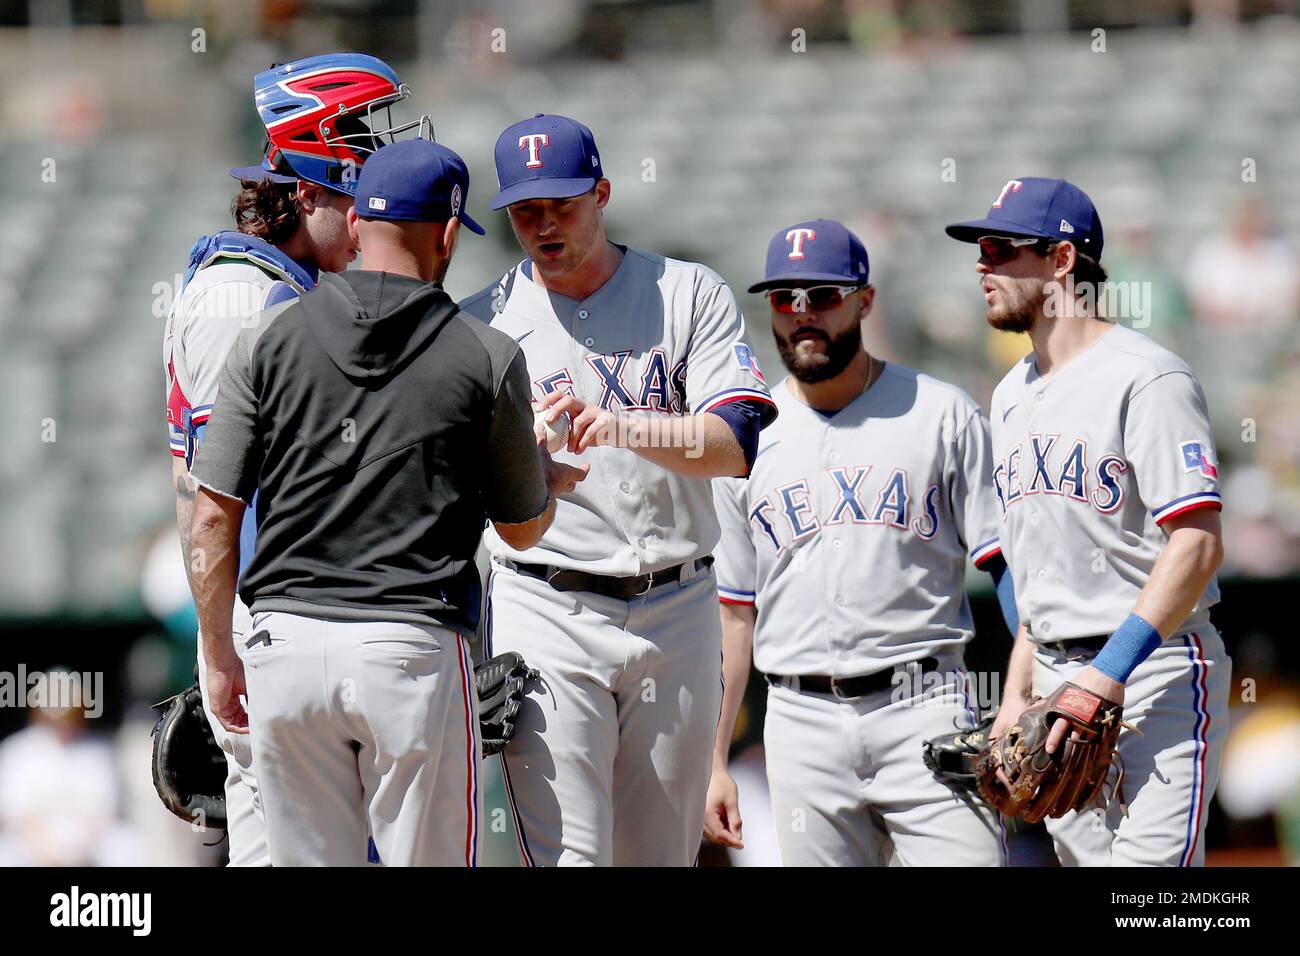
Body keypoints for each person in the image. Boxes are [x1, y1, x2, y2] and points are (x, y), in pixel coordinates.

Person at [188, 138, 575, 866]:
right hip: (411, 647)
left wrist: (218, 653)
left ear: (358, 222)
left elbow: (213, 513)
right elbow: (522, 531)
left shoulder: (267, 335)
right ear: (450, 231)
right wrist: (544, 476)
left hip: (284, 647)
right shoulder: (486, 353)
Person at [458, 113, 777, 866]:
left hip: (678, 607)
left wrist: (626, 426)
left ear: (602, 194)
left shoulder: (686, 292)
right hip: (547, 605)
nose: (543, 224)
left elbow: (737, 445)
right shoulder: (481, 323)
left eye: (561, 204)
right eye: (525, 210)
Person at [162, 52, 422, 865]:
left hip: (312, 623)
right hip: (278, 630)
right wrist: (220, 652)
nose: (372, 210)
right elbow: (217, 502)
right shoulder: (245, 296)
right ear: (308, 188)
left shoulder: (290, 286)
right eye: (359, 174)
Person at [706, 219, 1013, 866]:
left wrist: (1019, 698)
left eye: (821, 295)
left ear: (865, 301)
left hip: (927, 705)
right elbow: (735, 612)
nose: (801, 313)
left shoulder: (941, 414)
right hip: (798, 720)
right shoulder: (745, 433)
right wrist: (713, 761)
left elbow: (1011, 573)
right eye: (785, 298)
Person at [947, 177, 1230, 866]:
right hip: (1051, 679)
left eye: (1000, 248)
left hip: (1153, 669)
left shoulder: (1147, 377)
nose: (982, 265)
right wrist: (1016, 693)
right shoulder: (1010, 395)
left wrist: (1106, 674)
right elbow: (1032, 571)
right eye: (979, 249)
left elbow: (1196, 543)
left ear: (1063, 261)